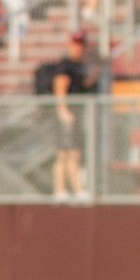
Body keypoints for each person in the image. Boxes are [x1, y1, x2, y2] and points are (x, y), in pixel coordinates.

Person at [38, 29, 97, 199]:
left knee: (71, 153)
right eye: (77, 44)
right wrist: (63, 110)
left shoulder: (79, 66)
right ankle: (65, 189)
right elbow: (60, 85)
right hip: (67, 115)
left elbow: (82, 85)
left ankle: (68, 189)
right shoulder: (66, 65)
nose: (80, 48)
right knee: (67, 153)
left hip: (74, 114)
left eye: (82, 45)